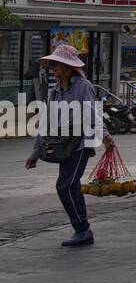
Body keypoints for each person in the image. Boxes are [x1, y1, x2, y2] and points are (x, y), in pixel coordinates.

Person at [23, 43, 106, 247]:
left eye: (55, 65)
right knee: (72, 187)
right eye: (51, 66)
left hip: (81, 145)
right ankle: (84, 231)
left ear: (68, 67)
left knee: (64, 186)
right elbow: (46, 122)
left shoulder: (83, 87)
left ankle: (82, 229)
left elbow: (91, 114)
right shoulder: (55, 91)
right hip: (62, 146)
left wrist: (104, 135)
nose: (52, 69)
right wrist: (36, 152)